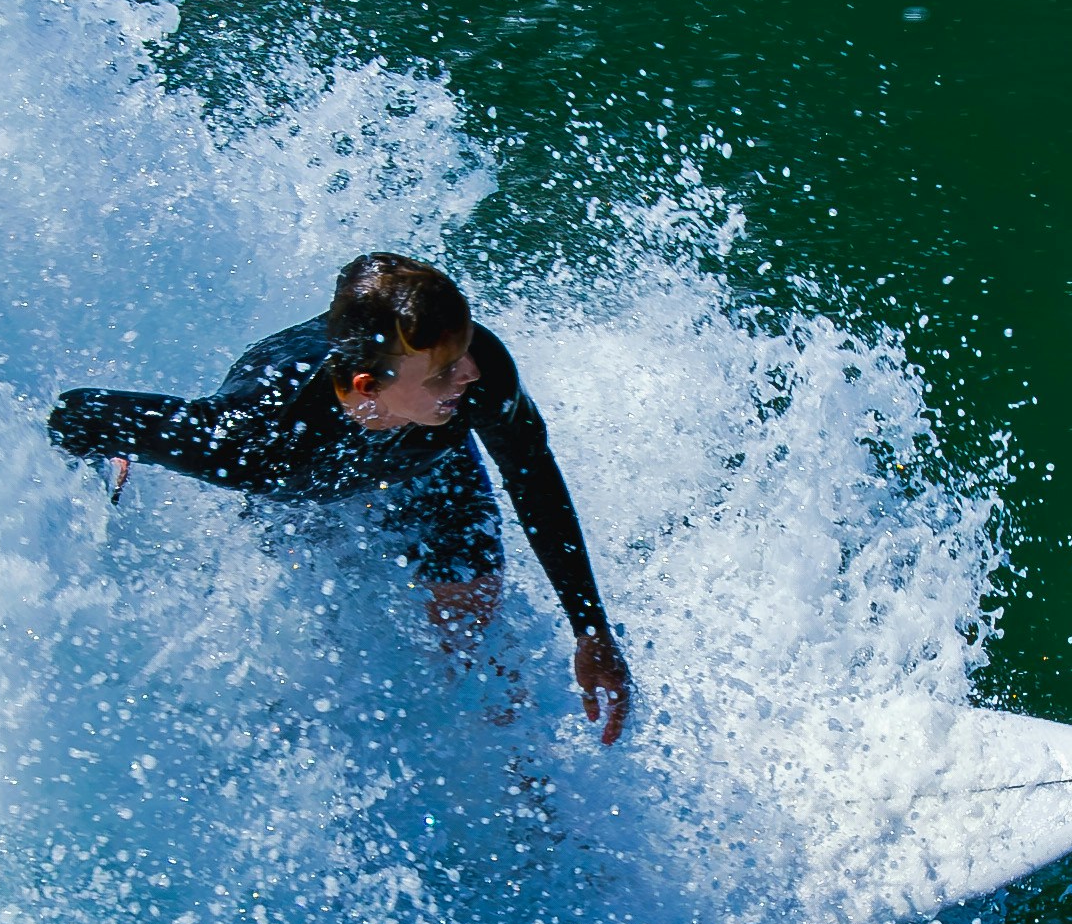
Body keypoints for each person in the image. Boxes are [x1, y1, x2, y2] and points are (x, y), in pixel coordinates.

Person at [49, 253, 636, 743]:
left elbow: (532, 474)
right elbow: (75, 413)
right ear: (368, 387)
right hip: (300, 490)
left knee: (470, 640)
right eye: (442, 372)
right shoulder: (261, 436)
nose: (472, 376)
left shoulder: (467, 381)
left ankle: (508, 771)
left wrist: (590, 630)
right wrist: (106, 456)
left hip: (428, 466)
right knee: (314, 647)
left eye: (466, 353)